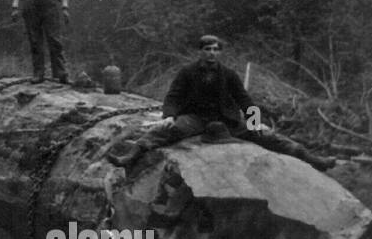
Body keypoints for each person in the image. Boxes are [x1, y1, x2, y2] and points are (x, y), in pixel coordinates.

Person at [109, 35, 335, 171]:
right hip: (195, 118)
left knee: (268, 137)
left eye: (216, 50)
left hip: (226, 120)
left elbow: (244, 100)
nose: (212, 54)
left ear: (220, 53)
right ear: (200, 51)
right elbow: (173, 97)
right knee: (167, 131)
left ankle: (314, 160)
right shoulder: (187, 72)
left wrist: (257, 121)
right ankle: (130, 156)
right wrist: (169, 115)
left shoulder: (229, 74)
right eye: (207, 50)